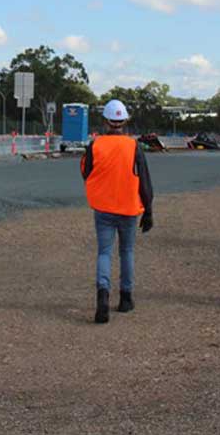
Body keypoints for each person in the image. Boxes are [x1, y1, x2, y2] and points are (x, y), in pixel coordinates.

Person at [80, 99, 154, 324]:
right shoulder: (133, 146)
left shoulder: (95, 145)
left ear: (106, 121)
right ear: (124, 121)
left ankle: (103, 296)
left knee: (104, 252)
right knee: (126, 252)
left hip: (103, 207)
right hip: (128, 207)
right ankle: (125, 298)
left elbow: (86, 172)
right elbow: (144, 180)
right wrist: (148, 210)